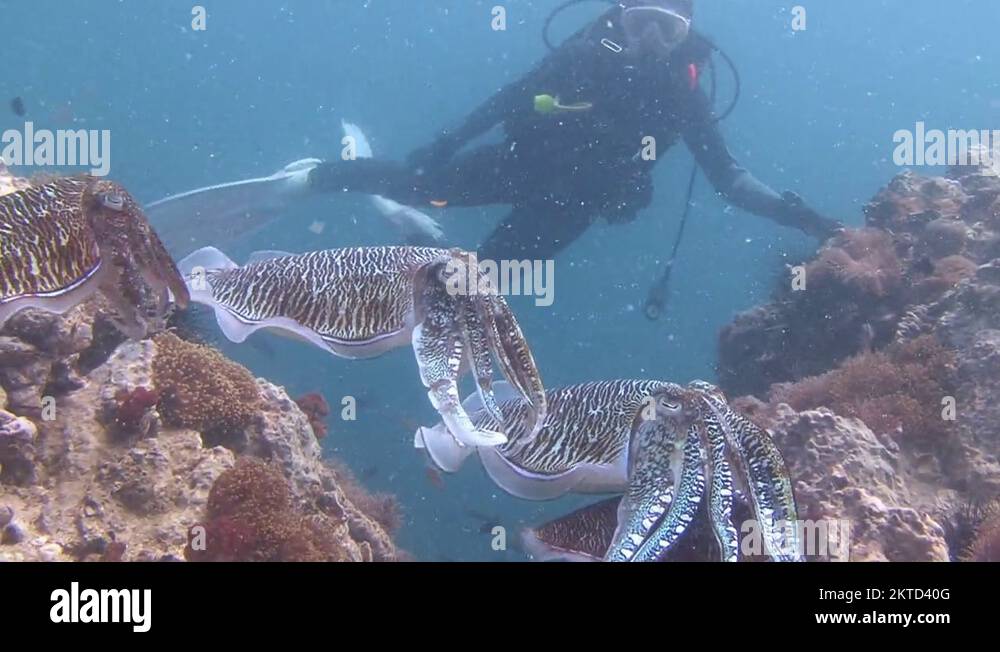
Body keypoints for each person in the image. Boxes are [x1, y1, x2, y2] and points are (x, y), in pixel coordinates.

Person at [308, 0, 841, 260]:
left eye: (668, 29)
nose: (650, 39)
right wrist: (446, 142)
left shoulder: (685, 95)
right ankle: (313, 178)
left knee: (476, 281)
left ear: (685, 36)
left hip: (571, 208)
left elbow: (730, 177)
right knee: (414, 184)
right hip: (518, 165)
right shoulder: (586, 55)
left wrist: (795, 213)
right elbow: (508, 99)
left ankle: (423, 237)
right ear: (621, 18)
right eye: (640, 23)